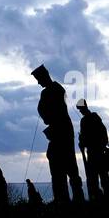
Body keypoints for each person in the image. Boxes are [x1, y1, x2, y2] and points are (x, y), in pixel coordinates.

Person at [32, 65, 83, 202]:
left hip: (61, 132)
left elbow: (47, 110)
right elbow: (43, 109)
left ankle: (70, 198)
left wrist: (47, 115)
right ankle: (63, 197)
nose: (38, 82)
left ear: (44, 76)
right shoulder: (54, 90)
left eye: (38, 79)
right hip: (60, 131)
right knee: (59, 165)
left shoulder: (52, 90)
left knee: (66, 165)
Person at [75, 99, 109, 198]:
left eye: (81, 109)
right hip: (94, 151)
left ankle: (105, 196)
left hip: (95, 152)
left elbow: (102, 132)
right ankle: (102, 196)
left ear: (85, 107)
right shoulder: (90, 118)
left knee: (99, 177)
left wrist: (83, 142)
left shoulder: (89, 119)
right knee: (97, 178)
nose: (80, 111)